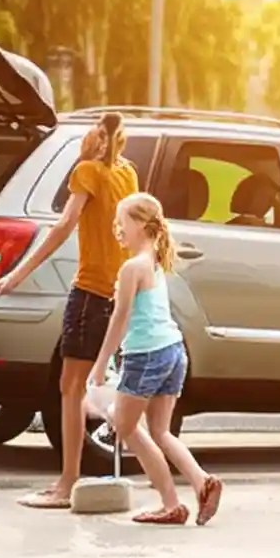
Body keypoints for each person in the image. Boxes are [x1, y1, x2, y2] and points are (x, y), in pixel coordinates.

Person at [0, 112, 138, 509]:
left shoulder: (87, 172)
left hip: (90, 293)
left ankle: (67, 483)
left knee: (71, 389)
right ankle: (84, 469)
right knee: (89, 381)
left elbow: (63, 225)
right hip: (117, 292)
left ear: (95, 141)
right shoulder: (128, 174)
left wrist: (16, 275)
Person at [89, 192, 223, 525]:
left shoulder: (131, 267)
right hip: (173, 351)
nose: (117, 228)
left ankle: (170, 504)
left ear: (139, 225)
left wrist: (100, 363)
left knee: (124, 425)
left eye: (122, 222)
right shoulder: (155, 262)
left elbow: (120, 319)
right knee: (161, 432)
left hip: (147, 355)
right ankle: (202, 482)